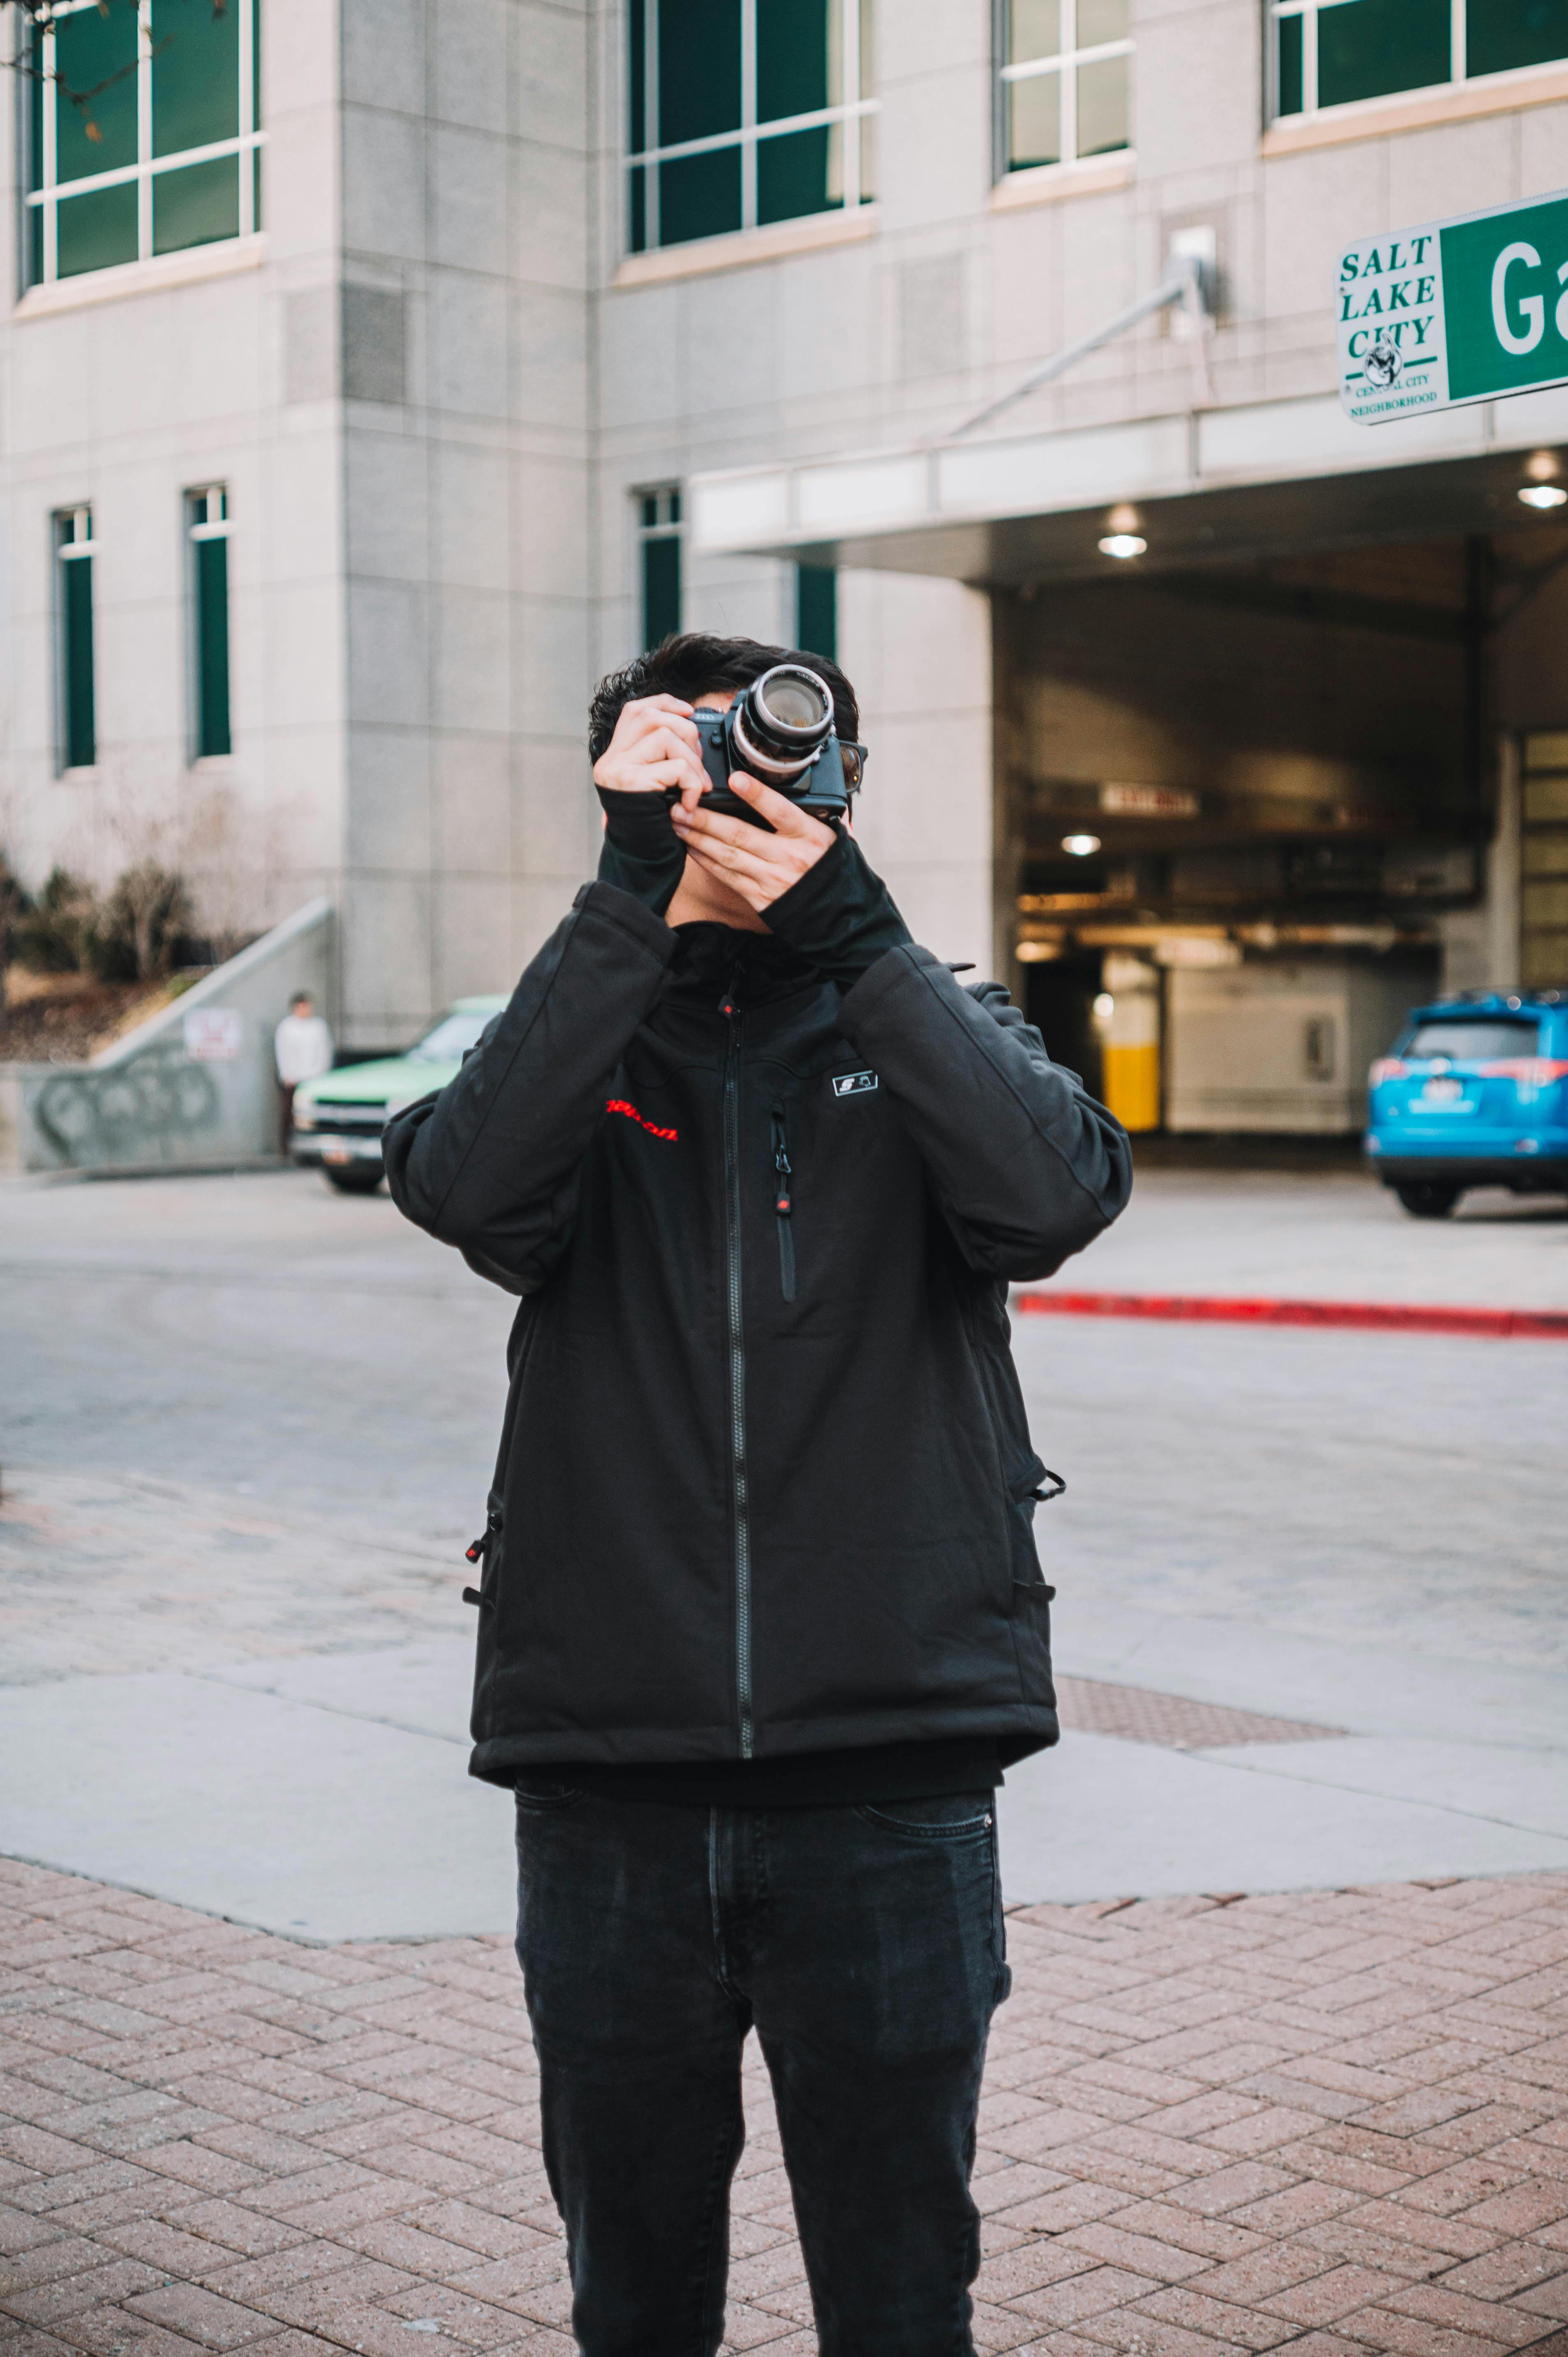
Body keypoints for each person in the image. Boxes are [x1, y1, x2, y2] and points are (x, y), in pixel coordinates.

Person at [383, 633, 1132, 2357]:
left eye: (786, 761)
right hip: (609, 1787)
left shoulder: (925, 1012)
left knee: (897, 2301)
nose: (741, 793)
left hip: (888, 1785)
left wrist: (851, 932)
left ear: (842, 788)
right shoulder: (584, 1036)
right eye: (686, 769)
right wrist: (625, 890)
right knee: (633, 2306)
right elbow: (472, 1189)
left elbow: (1047, 1197)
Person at [273, 990, 333, 1154]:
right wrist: (286, 1074)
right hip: (293, 1079)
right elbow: (283, 1052)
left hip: (314, 1079)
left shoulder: (318, 1026)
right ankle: (287, 1149)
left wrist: (322, 1074)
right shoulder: (287, 1027)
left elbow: (325, 1052)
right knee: (290, 1113)